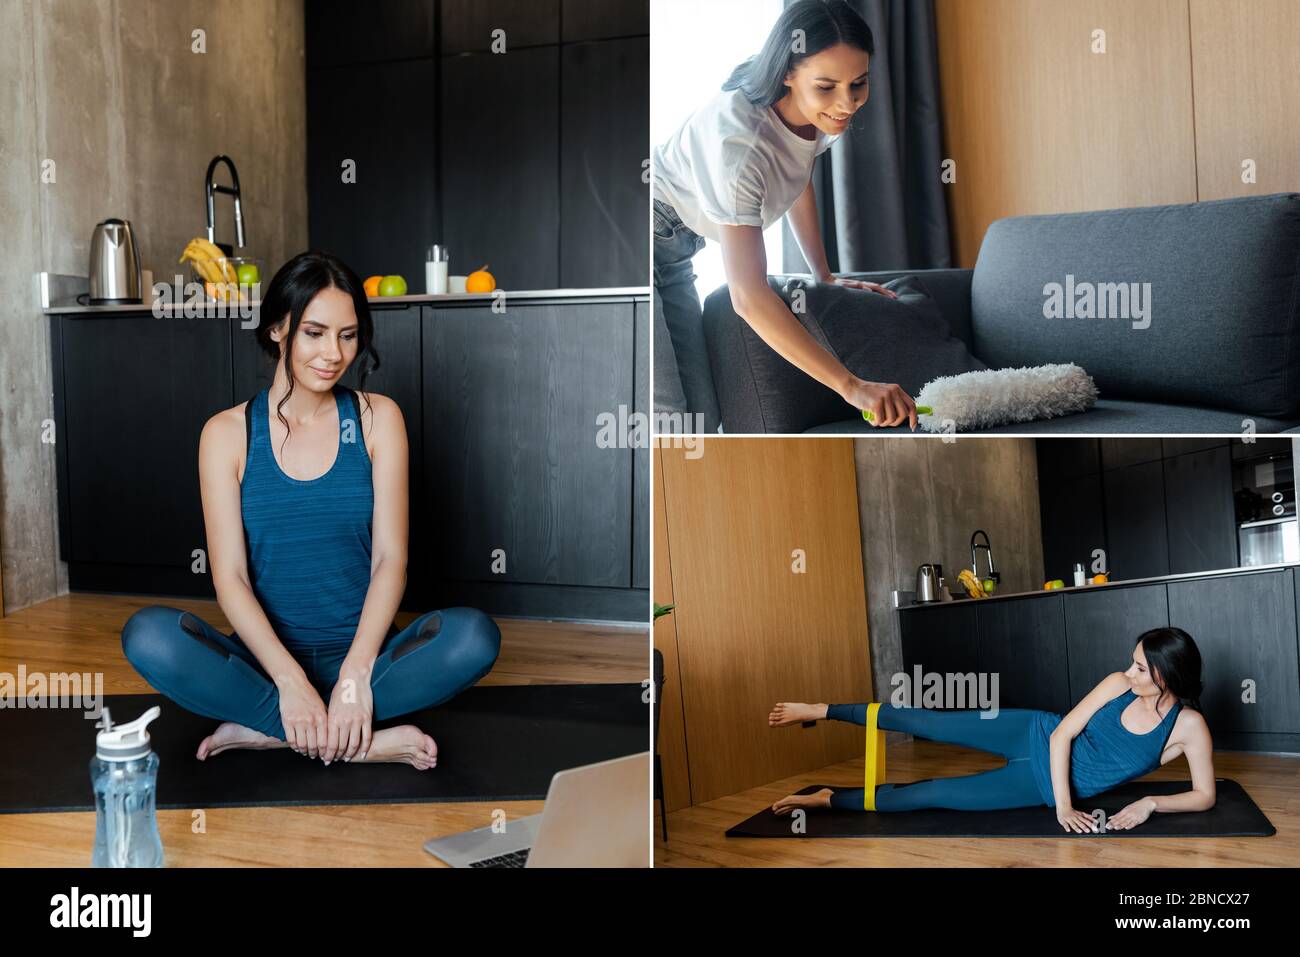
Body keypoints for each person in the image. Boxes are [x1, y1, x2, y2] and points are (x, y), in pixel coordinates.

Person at [121, 251, 501, 769]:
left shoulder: (376, 419)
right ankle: (356, 742)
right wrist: (290, 681)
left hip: (368, 661)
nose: (333, 353)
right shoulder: (226, 434)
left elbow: (391, 560)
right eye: (314, 333)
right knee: (149, 636)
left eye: (348, 335)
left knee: (474, 637)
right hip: (265, 665)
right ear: (278, 329)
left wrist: (355, 675)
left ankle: (272, 731)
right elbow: (229, 577)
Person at [653, 0, 916, 433]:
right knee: (667, 421)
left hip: (676, 250)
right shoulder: (739, 149)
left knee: (702, 417)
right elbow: (749, 298)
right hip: (644, 235)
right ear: (787, 73)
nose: (847, 104)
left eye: (860, 83)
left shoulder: (812, 113)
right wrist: (851, 387)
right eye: (828, 86)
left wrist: (824, 274)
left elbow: (795, 177)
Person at [767, 628, 1216, 832]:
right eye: (1132, 661)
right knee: (928, 721)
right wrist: (1064, 808)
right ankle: (823, 709)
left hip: (1034, 784)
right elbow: (1063, 735)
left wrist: (1151, 802)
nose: (1128, 671)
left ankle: (827, 799)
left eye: (1140, 667)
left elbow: (1205, 795)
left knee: (932, 795)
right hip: (1031, 733)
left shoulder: (1189, 727)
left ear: (1167, 676)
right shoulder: (1118, 685)